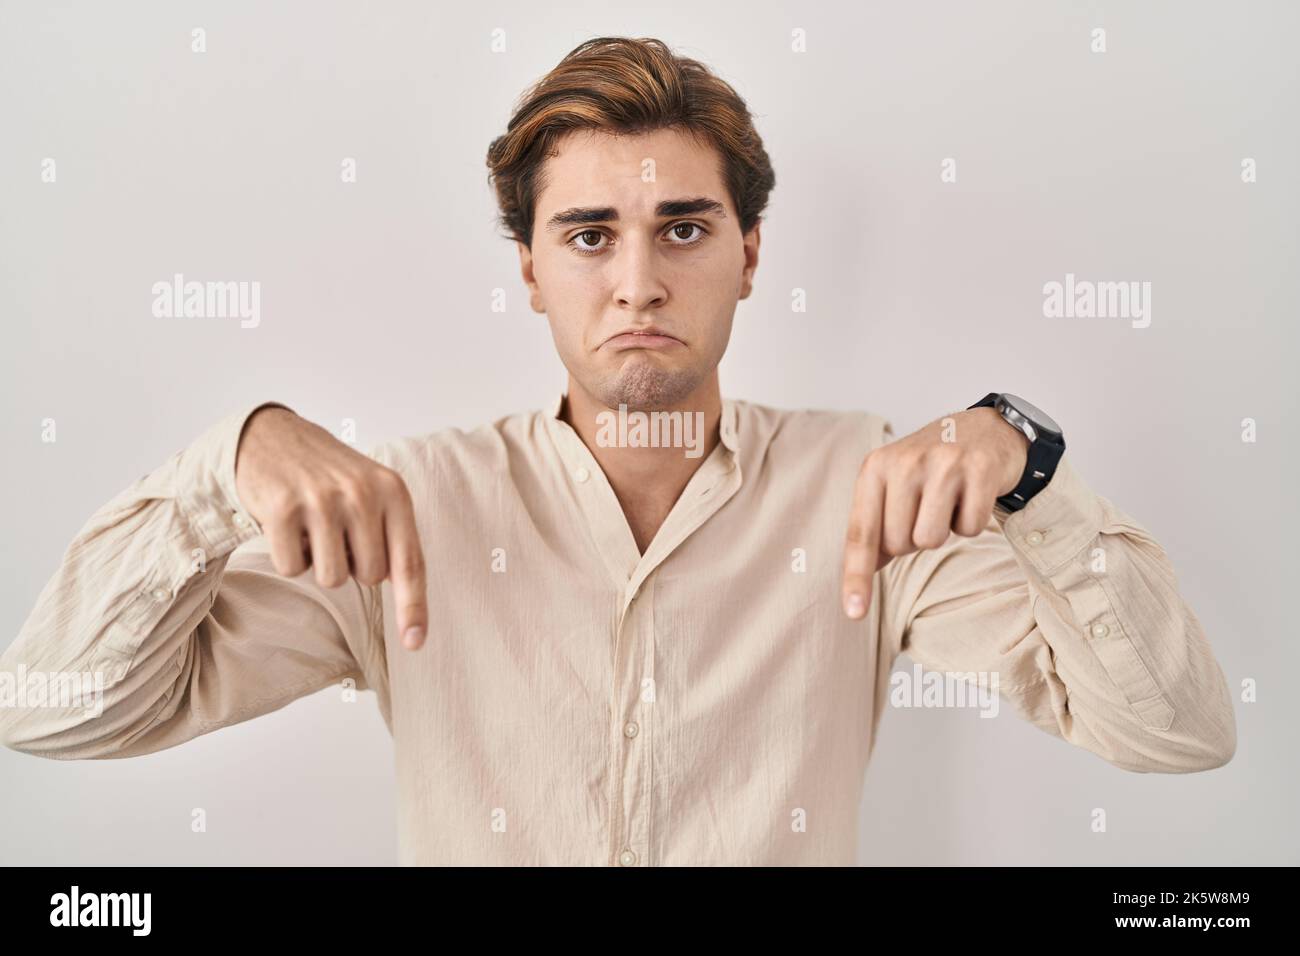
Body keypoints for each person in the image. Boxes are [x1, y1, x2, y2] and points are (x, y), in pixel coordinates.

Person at [0, 37, 1235, 866]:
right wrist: (228, 463)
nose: (638, 281)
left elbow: (1176, 733)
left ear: (750, 253)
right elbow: (53, 716)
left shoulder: (863, 492)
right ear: (531, 271)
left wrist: (1025, 459)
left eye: (682, 227)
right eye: (589, 235)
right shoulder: (411, 513)